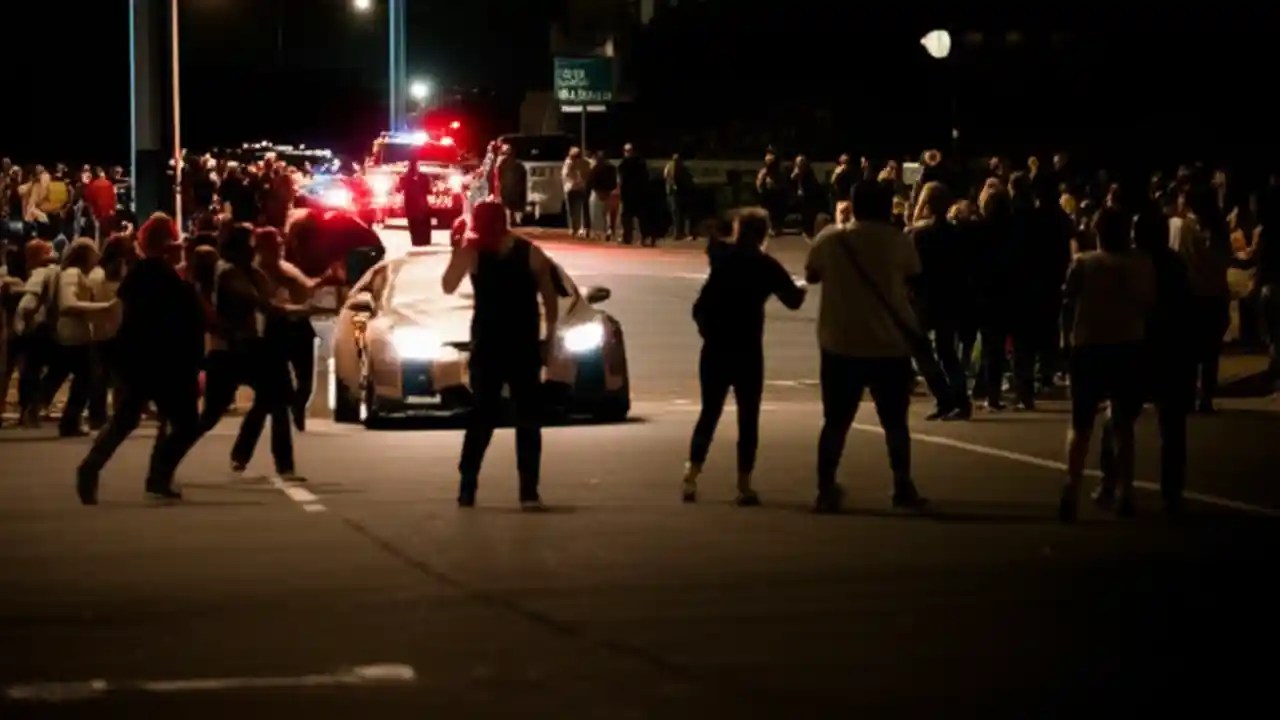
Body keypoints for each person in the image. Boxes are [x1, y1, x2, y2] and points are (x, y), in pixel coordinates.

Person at [804, 181, 929, 513]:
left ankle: (826, 487)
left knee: (835, 422)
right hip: (889, 344)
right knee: (895, 422)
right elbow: (914, 277)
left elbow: (812, 275)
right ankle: (902, 484)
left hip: (839, 341)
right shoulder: (897, 241)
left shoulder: (831, 238)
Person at [76, 214, 205, 504]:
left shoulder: (138, 275)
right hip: (165, 360)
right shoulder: (165, 277)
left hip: (138, 358)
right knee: (184, 422)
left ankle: (91, 467)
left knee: (127, 418)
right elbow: (182, 319)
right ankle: (158, 475)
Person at [681, 208, 806, 505]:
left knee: (709, 413)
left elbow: (701, 304)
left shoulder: (723, 259)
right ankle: (743, 484)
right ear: (763, 234)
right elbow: (793, 300)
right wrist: (801, 286)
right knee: (748, 418)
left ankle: (691, 477)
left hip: (715, 346)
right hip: (748, 348)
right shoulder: (765, 266)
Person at [441, 201, 559, 510]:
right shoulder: (529, 251)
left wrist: (460, 249)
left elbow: (447, 285)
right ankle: (528, 492)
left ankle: (468, 486)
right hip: (523, 342)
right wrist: (550, 336)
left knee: (483, 415)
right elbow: (549, 294)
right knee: (528, 418)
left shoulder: (474, 251)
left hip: (489, 343)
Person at [1059, 206, 1155, 522]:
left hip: (1089, 345)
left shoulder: (1084, 264)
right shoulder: (1141, 263)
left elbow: (1068, 305)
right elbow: (1149, 304)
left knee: (1081, 423)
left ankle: (1071, 488)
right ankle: (1126, 491)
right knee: (1123, 424)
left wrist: (1065, 341)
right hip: (1128, 345)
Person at [1097, 205, 1195, 517]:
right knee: (1172, 426)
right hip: (1171, 351)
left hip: (1136, 348)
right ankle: (1172, 492)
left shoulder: (1131, 264)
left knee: (1118, 420)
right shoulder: (1176, 264)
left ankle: (1112, 483)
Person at [398, 161, 432, 247]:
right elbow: (402, 189)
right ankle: (418, 241)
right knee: (415, 224)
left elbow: (427, 189)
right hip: (414, 206)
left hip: (419, 206)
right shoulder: (406, 178)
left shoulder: (422, 177)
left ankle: (422, 241)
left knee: (421, 224)